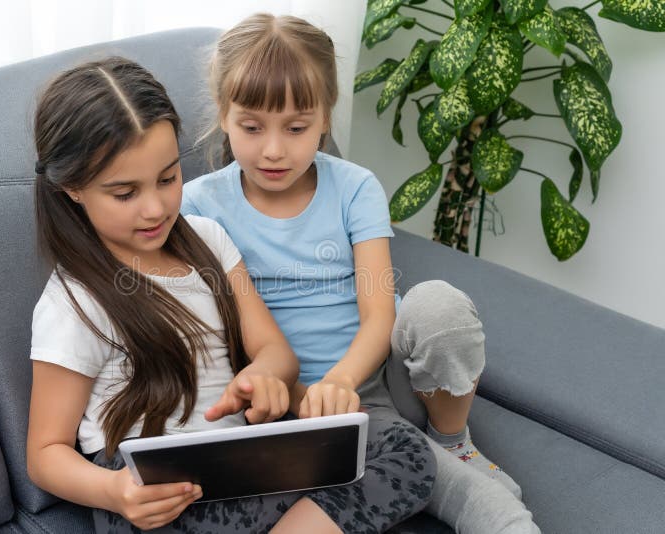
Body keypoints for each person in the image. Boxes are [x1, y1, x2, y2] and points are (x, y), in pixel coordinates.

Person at [26, 56, 436, 534]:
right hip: (158, 493)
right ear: (73, 188)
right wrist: (115, 494)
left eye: (167, 178)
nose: (156, 207)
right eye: (125, 193)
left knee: (406, 454)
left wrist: (261, 378)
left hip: (244, 466)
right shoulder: (71, 302)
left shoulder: (208, 239)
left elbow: (274, 351)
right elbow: (44, 454)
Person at [182, 13, 540, 534]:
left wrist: (341, 382)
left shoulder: (354, 187)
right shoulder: (199, 203)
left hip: (368, 387)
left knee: (439, 307)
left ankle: (451, 439)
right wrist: (296, 397)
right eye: (252, 127)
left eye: (297, 127)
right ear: (224, 115)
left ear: (326, 118)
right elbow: (212, 327)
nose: (274, 149)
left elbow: (379, 311)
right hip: (272, 405)